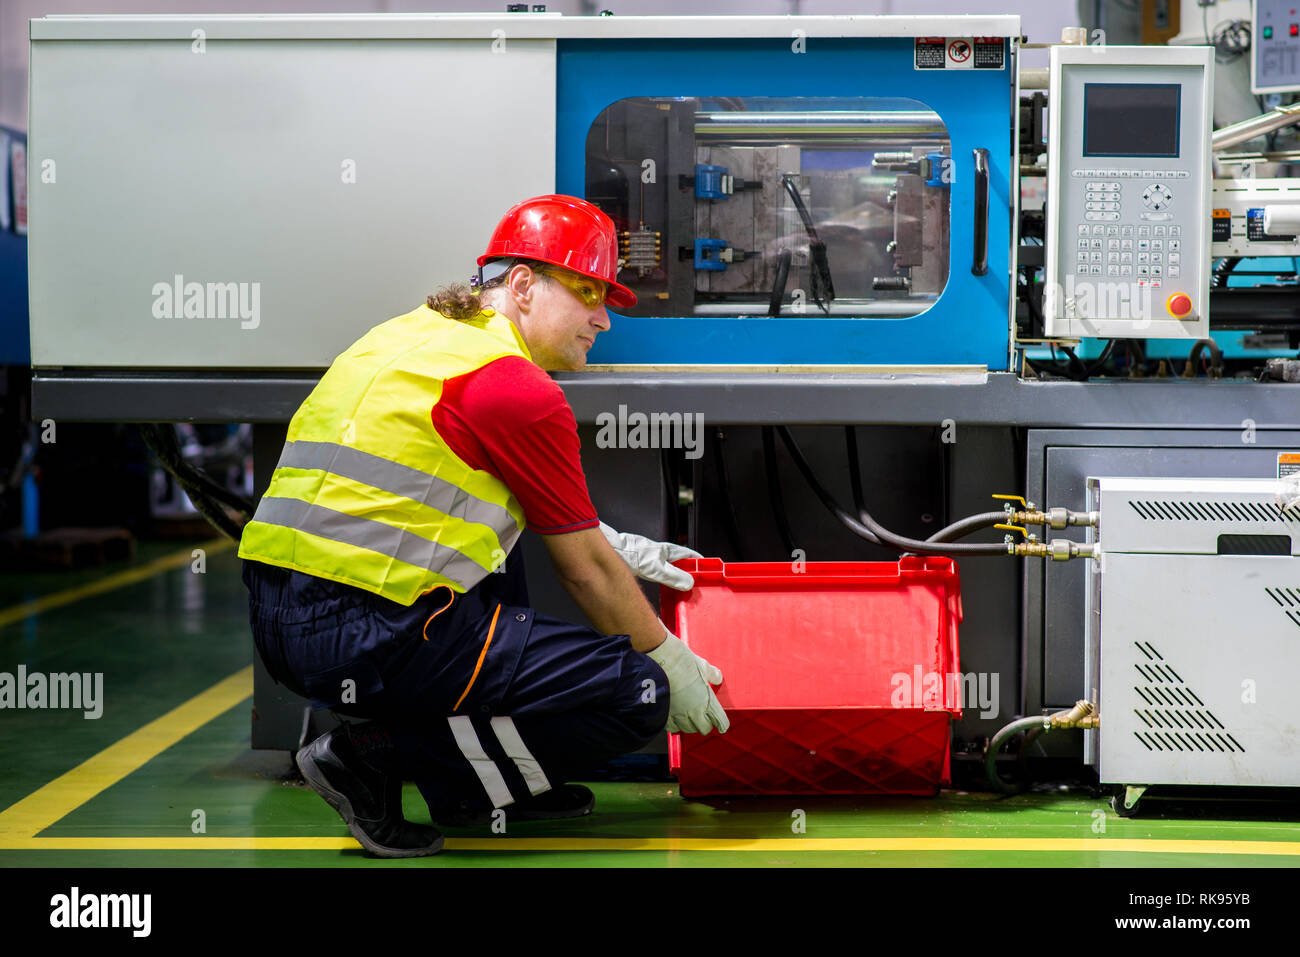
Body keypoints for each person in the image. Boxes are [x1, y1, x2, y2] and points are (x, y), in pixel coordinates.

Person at [237, 194, 729, 858]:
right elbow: (581, 570)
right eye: (588, 292)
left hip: (280, 621)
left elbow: (426, 493)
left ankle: (478, 791)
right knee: (635, 690)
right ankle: (365, 756)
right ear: (522, 285)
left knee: (507, 553)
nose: (603, 319)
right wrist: (669, 659)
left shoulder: (407, 336)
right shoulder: (516, 386)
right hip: (364, 633)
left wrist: (605, 537)